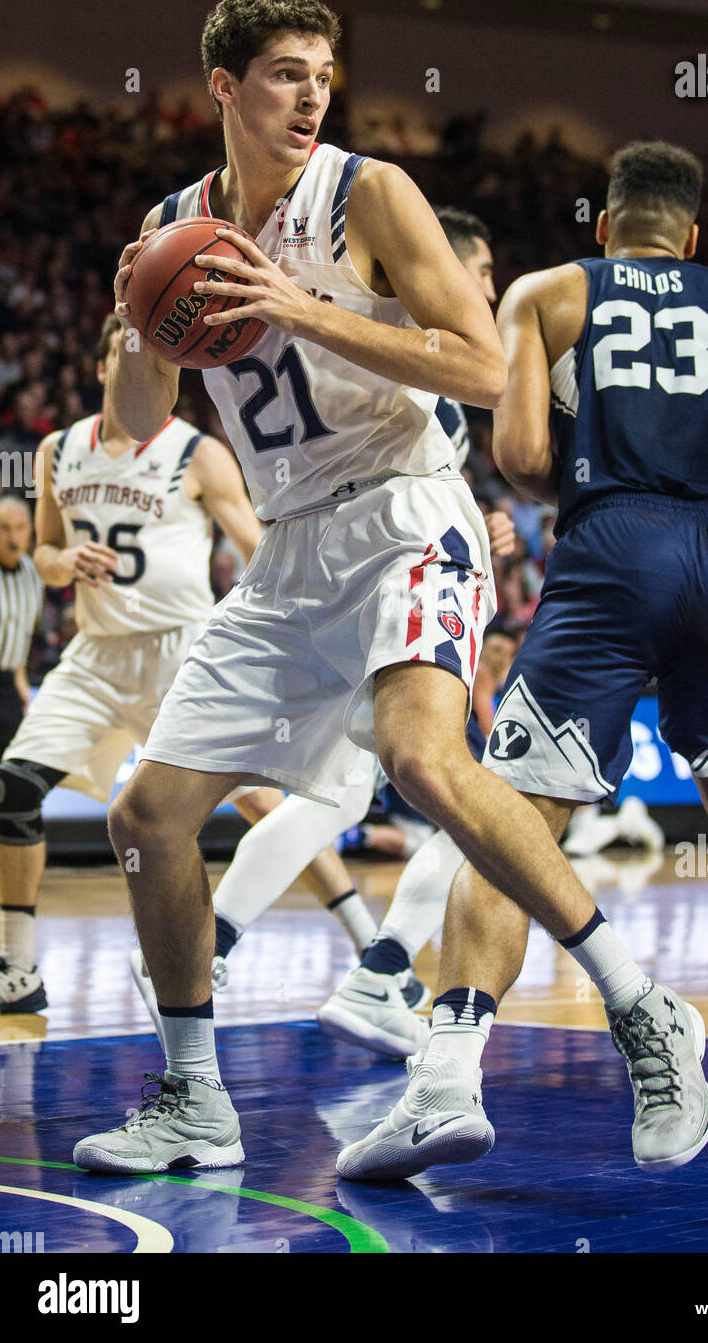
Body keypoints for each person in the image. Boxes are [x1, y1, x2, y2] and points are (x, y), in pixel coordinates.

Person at [74, 0, 708, 1177]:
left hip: (407, 513)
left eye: (322, 71)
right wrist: (138, 323)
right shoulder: (177, 221)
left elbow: (481, 365)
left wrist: (300, 306)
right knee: (146, 818)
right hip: (287, 548)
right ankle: (197, 1105)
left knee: (423, 758)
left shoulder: (367, 192)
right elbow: (144, 417)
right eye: (282, 73)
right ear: (221, 86)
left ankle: (641, 1005)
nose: (311, 92)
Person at [337, 140, 708, 1181]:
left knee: (516, 810)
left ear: (603, 225)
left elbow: (521, 459)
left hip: (613, 552)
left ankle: (445, 1075)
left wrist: (588, 440)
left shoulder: (547, 290)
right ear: (691, 236)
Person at [127, 205, 513, 1041]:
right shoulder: (410, 347)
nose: (482, 291)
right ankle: (379, 973)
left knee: (338, 792)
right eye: (478, 274)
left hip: (325, 560)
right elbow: (421, 460)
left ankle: (221, 939)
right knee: (462, 784)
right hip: (370, 565)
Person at [0, 315, 264, 1014]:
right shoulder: (57, 450)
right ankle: (17, 969)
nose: (138, 370)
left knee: (263, 804)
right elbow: (46, 558)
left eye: (154, 359)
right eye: (126, 356)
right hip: (97, 656)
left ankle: (366, 940)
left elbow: (256, 548)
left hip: (183, 653)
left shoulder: (199, 453)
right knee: (17, 787)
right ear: (105, 367)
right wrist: (64, 560)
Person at [0, 497, 43, 846]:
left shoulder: (34, 574)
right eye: (4, 528)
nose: (13, 536)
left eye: (20, 527)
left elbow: (22, 632)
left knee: (8, 776)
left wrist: (22, 682)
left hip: (8, 687)